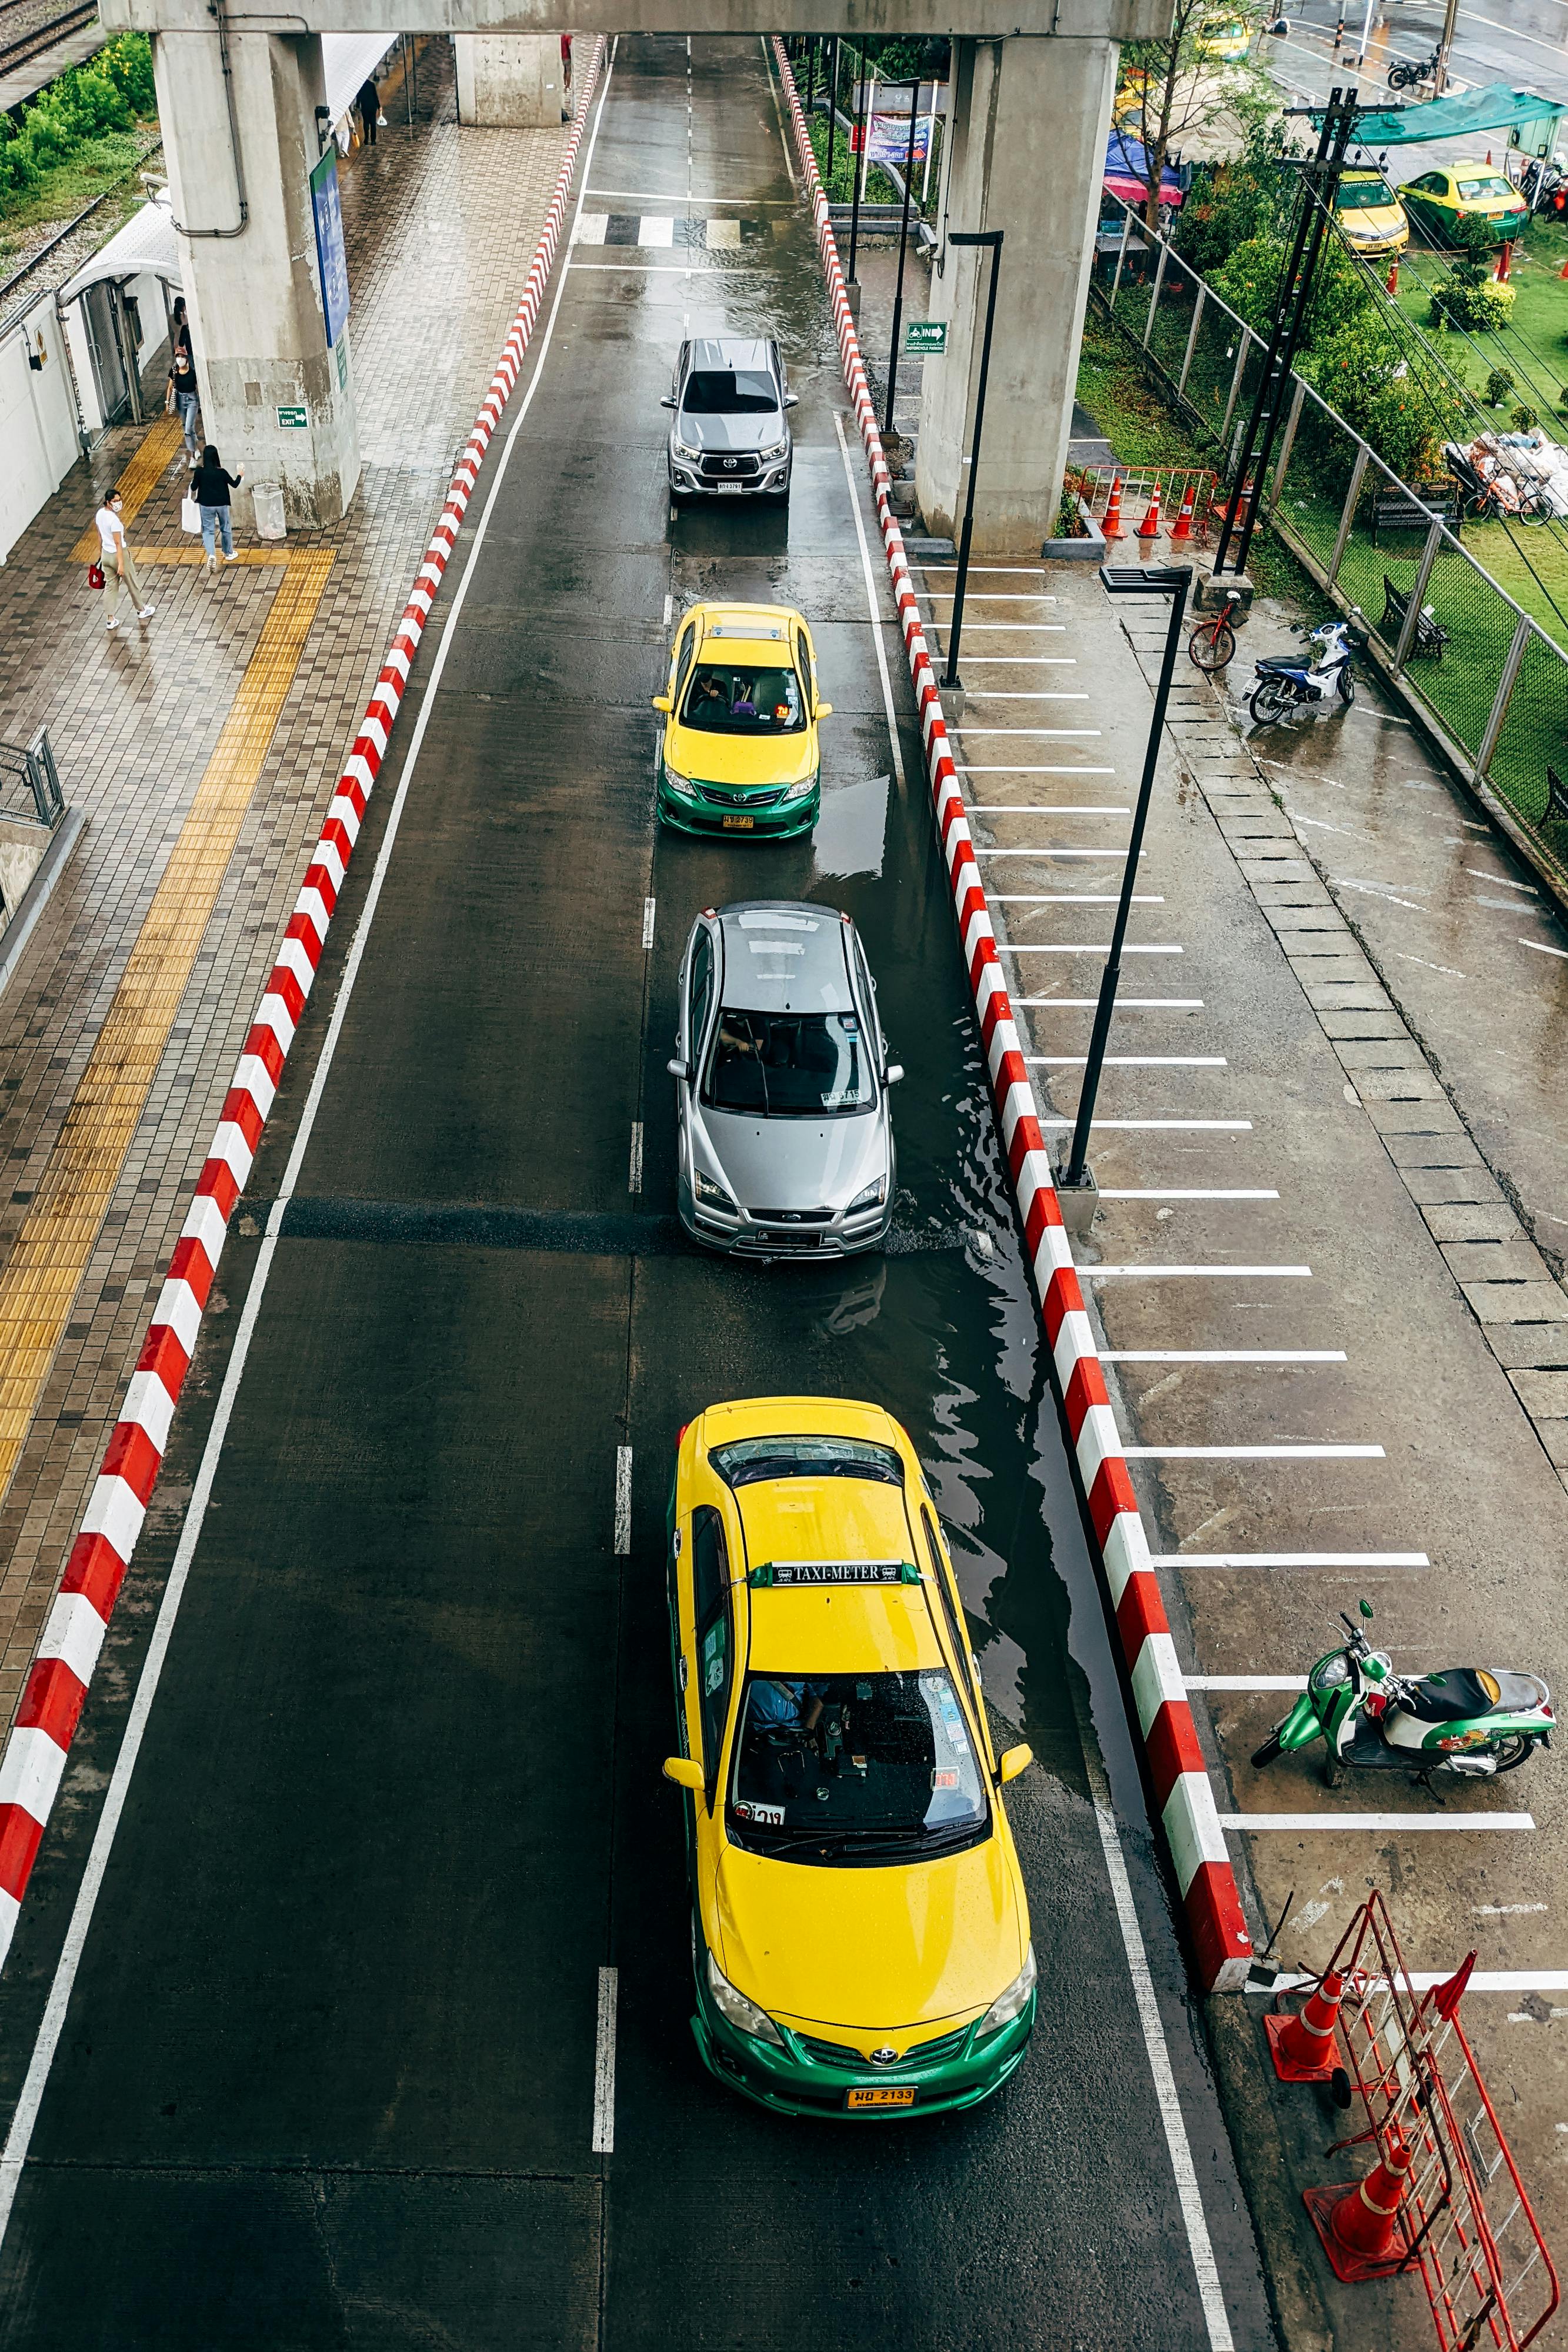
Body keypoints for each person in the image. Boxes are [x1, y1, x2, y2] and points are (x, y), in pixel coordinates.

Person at [95, 491, 154, 630]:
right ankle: (141, 610)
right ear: (108, 502)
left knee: (111, 587)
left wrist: (100, 553)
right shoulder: (114, 522)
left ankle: (110, 619)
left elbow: (99, 536)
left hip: (106, 555)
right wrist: (121, 564)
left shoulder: (100, 514)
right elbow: (118, 544)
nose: (119, 503)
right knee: (132, 582)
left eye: (120, 500)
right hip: (118, 556)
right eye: (115, 501)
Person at [191, 443, 243, 572]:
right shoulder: (222, 473)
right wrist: (240, 474)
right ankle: (228, 553)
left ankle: (211, 555)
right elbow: (235, 484)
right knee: (225, 528)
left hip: (206, 505)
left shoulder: (200, 472)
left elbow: (193, 488)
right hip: (222, 504)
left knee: (208, 531)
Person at [168, 342, 199, 464]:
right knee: (186, 426)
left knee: (188, 429)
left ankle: (192, 456)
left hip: (192, 400)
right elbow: (170, 387)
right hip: (181, 401)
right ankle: (196, 447)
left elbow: (198, 389)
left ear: (186, 358)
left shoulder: (193, 373)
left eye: (182, 356)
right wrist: (167, 402)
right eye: (177, 356)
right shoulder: (174, 371)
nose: (179, 359)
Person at [357, 74, 379, 146]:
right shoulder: (371, 84)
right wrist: (379, 106)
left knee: (366, 123)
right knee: (373, 124)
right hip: (373, 107)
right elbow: (375, 96)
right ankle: (373, 140)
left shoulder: (360, 86)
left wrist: (358, 106)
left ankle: (366, 139)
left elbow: (358, 97)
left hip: (365, 107)